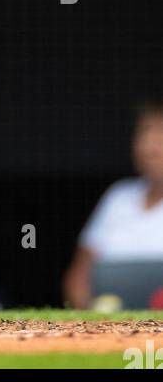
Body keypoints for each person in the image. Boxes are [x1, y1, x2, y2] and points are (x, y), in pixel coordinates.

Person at [63, 101, 163, 309]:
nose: (150, 147)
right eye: (144, 135)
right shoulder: (118, 197)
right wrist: (94, 323)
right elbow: (78, 275)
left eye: (160, 136)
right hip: (107, 325)